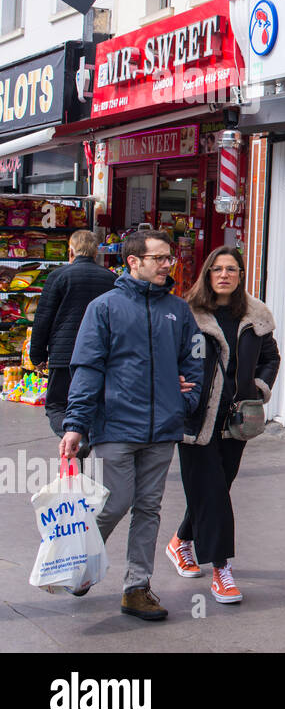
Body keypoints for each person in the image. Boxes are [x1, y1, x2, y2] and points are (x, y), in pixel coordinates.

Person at [58, 229, 204, 621]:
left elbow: (195, 360)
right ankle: (81, 565)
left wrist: (184, 400)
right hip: (116, 427)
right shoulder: (104, 308)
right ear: (133, 261)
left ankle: (137, 588)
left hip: (163, 430)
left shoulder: (178, 310)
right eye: (158, 258)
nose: (167, 265)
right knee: (113, 502)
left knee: (149, 509)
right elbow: (87, 368)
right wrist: (76, 424)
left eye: (169, 258)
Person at [165, 246, 279, 605]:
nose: (225, 275)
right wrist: (176, 382)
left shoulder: (255, 316)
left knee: (217, 487)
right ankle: (221, 571)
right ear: (207, 274)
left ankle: (181, 540)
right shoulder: (187, 313)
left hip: (237, 420)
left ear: (241, 275)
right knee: (212, 492)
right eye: (218, 269)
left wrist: (258, 389)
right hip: (196, 419)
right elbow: (166, 354)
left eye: (232, 269)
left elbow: (270, 358)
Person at [29, 230, 118, 454]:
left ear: (71, 250)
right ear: (96, 250)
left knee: (57, 405)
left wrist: (37, 355)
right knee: (93, 402)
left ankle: (74, 437)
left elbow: (43, 318)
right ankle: (83, 435)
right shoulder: (110, 278)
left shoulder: (58, 277)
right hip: (98, 355)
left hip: (63, 353)